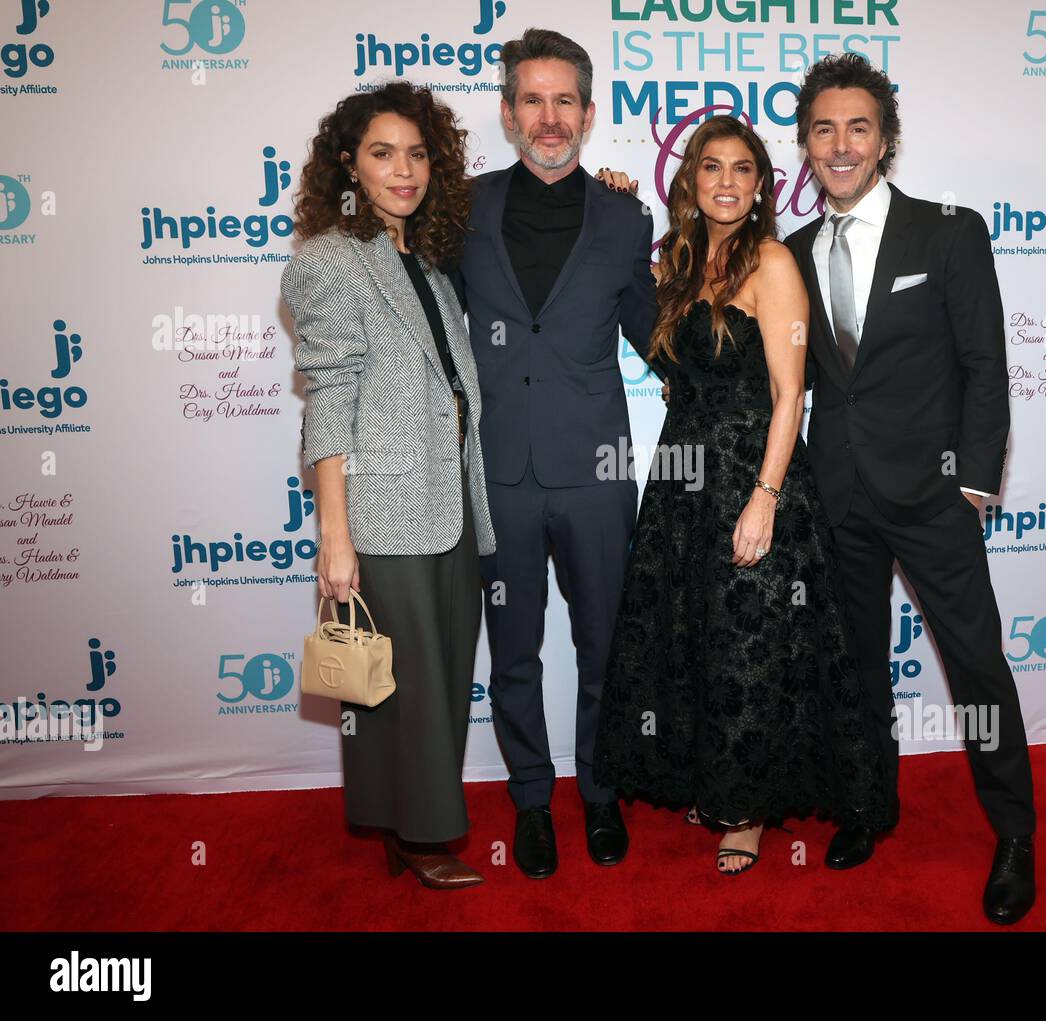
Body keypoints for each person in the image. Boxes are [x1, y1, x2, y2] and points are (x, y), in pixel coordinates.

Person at [592, 114, 893, 875]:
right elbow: (657, 344)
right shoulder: (688, 261)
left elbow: (792, 394)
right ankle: (712, 777)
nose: (726, 182)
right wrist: (612, 203)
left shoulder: (770, 263)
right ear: (690, 180)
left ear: (763, 184)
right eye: (711, 167)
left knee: (750, 644)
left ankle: (750, 808)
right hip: (682, 479)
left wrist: (764, 496)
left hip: (750, 475)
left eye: (742, 169)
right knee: (698, 632)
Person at [782, 54, 1037, 923]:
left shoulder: (948, 232)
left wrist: (972, 485)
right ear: (807, 144)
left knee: (976, 667)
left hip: (934, 497)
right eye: (824, 128)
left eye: (859, 127)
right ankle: (866, 805)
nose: (841, 144)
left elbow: (985, 367)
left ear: (885, 139)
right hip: (838, 495)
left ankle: (1014, 832)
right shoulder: (790, 253)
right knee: (856, 669)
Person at [452, 28, 659, 879]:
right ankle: (533, 800)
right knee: (514, 653)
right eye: (531, 100)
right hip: (499, 476)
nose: (548, 116)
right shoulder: (460, 211)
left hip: (598, 474)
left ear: (588, 111)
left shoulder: (625, 214)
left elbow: (656, 334)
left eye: (563, 99)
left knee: (606, 644)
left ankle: (602, 795)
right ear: (507, 113)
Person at [281, 80, 495, 890]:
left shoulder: (427, 263)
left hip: (450, 506)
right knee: (404, 682)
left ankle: (397, 822)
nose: (403, 170)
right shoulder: (331, 261)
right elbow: (329, 400)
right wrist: (335, 536)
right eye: (381, 153)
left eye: (416, 154)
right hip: (383, 511)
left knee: (429, 676)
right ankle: (426, 833)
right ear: (349, 165)